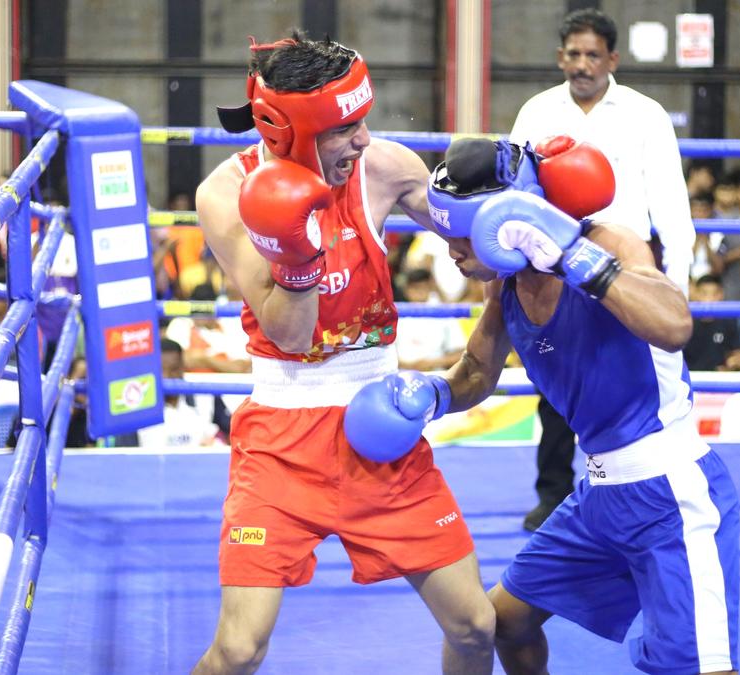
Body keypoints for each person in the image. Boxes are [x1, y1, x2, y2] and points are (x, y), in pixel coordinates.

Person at [352, 136, 739, 674]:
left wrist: (572, 256)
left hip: (669, 493)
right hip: (599, 497)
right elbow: (477, 371)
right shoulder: (505, 285)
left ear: (508, 219)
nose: (451, 251)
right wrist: (432, 395)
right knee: (506, 622)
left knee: (702, 666)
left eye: (461, 236)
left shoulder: (606, 241)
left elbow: (674, 326)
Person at [191, 34, 494, 674]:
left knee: (475, 626)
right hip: (280, 442)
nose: (362, 140)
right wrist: (297, 256)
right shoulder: (226, 194)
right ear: (291, 132)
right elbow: (290, 334)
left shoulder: (384, 168)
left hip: (382, 428)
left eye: (362, 122)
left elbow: (479, 249)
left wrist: (515, 213)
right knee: (238, 649)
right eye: (342, 130)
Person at [507, 7, 696, 530]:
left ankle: (649, 489)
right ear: (560, 57)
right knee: (556, 384)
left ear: (612, 58)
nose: (582, 64)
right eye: (574, 54)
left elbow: (671, 206)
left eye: (593, 55)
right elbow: (515, 191)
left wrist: (675, 289)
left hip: (627, 265)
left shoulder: (645, 114)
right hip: (553, 263)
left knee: (637, 375)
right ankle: (553, 495)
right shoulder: (536, 111)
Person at [136, 339, 223, 447]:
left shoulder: (205, 396)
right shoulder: (136, 408)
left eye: (174, 370)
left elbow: (229, 436)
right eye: (160, 371)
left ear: (183, 368)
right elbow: (124, 453)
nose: (167, 377)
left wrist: (216, 442)